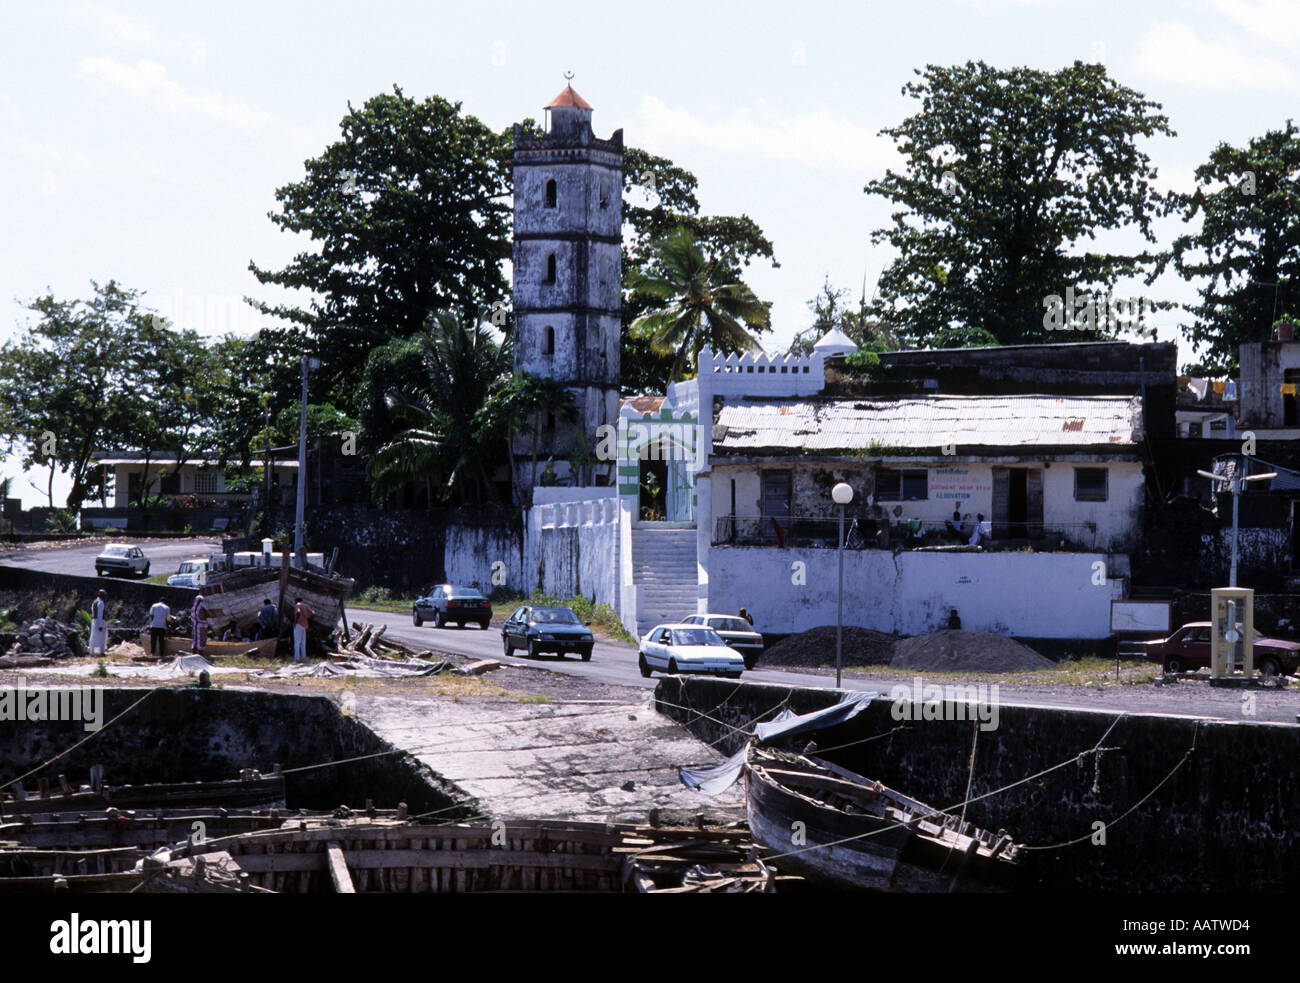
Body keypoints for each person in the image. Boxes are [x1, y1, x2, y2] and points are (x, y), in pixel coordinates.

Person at [293, 596, 314, 662]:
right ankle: (303, 657)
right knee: (303, 642)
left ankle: (297, 657)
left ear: (296, 601)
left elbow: (298, 612)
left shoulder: (298, 605)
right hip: (305, 625)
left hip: (299, 624)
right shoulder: (306, 605)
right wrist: (308, 620)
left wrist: (295, 622)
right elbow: (313, 613)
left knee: (297, 642)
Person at [89, 589, 109, 657]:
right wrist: (100, 625)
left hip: (94, 621)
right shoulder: (101, 602)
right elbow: (100, 614)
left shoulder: (94, 602)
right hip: (100, 621)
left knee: (94, 637)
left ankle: (93, 652)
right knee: (101, 638)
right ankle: (100, 652)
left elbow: (93, 612)